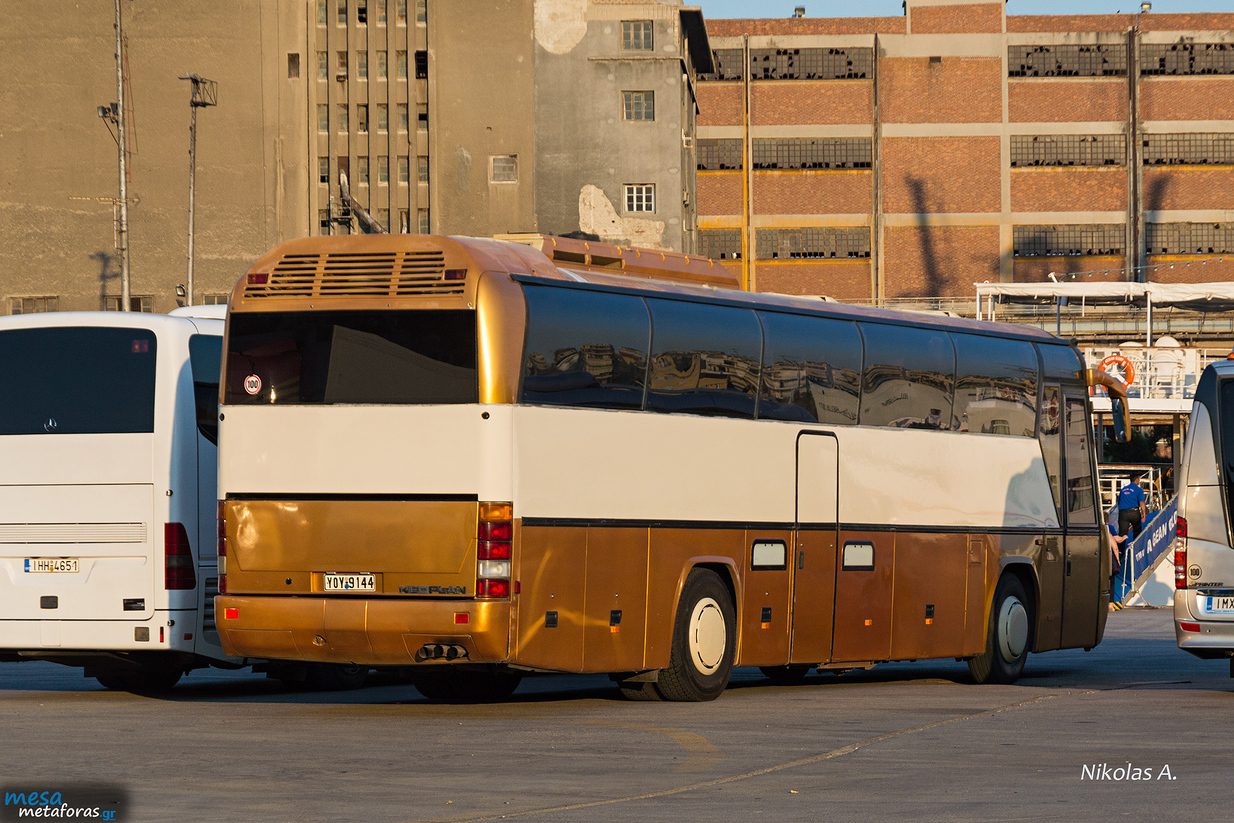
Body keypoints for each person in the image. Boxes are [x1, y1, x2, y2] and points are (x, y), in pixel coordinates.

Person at [1117, 471, 1147, 541]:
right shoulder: (1139, 489)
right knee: (1137, 532)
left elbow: (1119, 503)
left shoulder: (1123, 489)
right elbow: (1141, 502)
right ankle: (1137, 549)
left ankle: (1121, 551)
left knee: (1122, 534)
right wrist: (1144, 513)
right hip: (1134, 512)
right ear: (1137, 479)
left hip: (1123, 513)